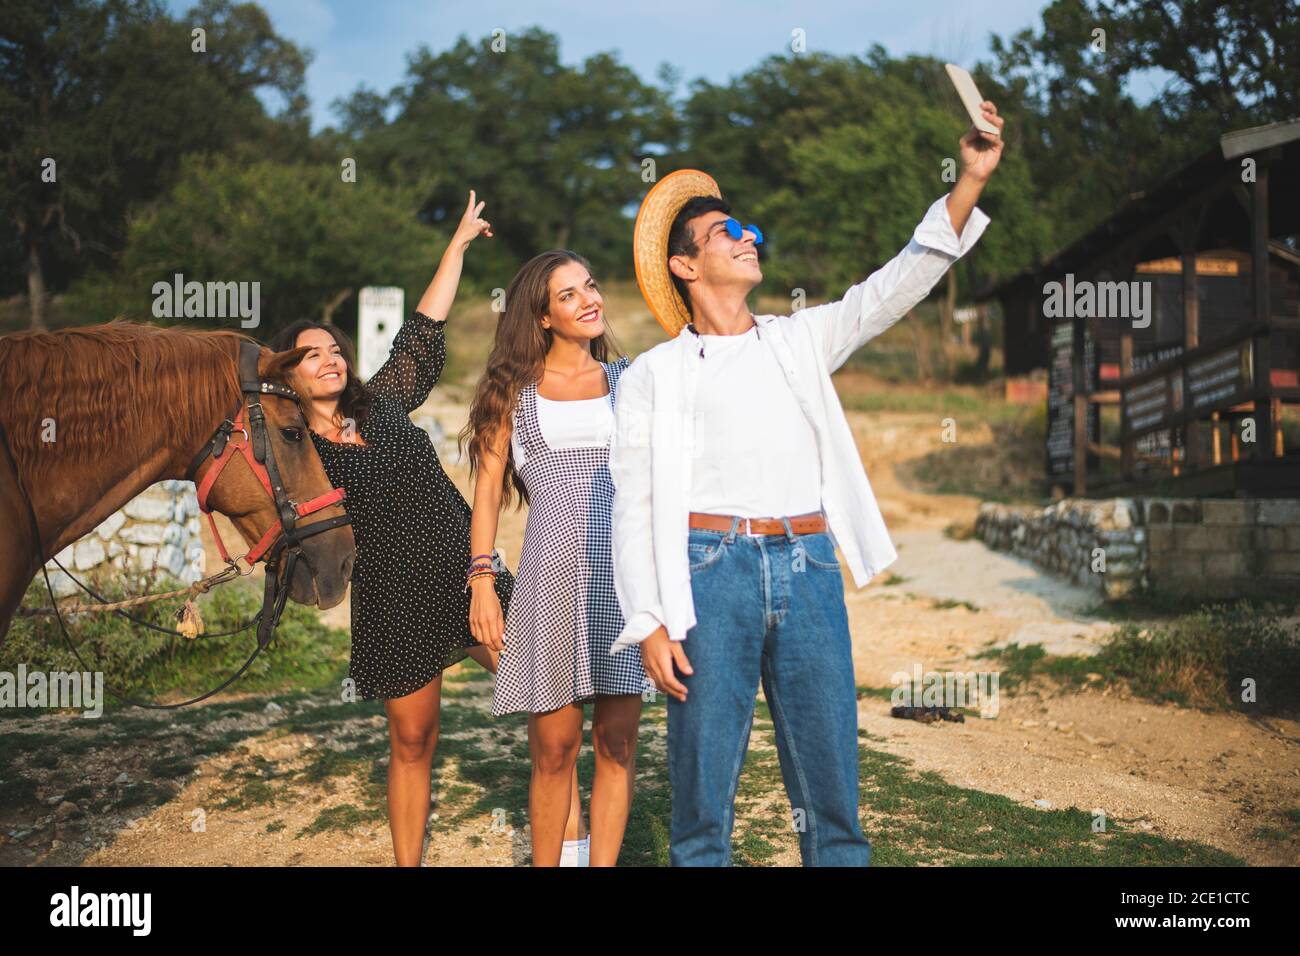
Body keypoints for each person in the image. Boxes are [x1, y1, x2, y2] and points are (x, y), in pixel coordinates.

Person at [609, 102, 1005, 865]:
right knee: (701, 803)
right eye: (726, 232)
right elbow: (634, 505)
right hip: (708, 572)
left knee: (832, 792)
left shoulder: (798, 339)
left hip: (810, 564)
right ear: (685, 266)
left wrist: (970, 181)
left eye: (748, 228)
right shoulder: (654, 374)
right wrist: (650, 621)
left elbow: (893, 287)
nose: (748, 237)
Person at [269, 190, 511, 867]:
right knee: (412, 743)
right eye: (310, 355)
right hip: (392, 599)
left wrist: (456, 246)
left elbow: (423, 327)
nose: (330, 360)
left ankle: (571, 835)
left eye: (334, 350)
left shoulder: (380, 403)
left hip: (467, 574)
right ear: (286, 373)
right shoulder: (299, 456)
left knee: (545, 695)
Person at [462, 249, 648, 867]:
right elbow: (487, 495)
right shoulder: (512, 394)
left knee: (617, 745)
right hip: (549, 583)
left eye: (589, 286)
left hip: (623, 580)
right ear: (542, 317)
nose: (589, 299)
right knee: (553, 751)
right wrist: (482, 581)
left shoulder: (630, 381)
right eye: (568, 294)